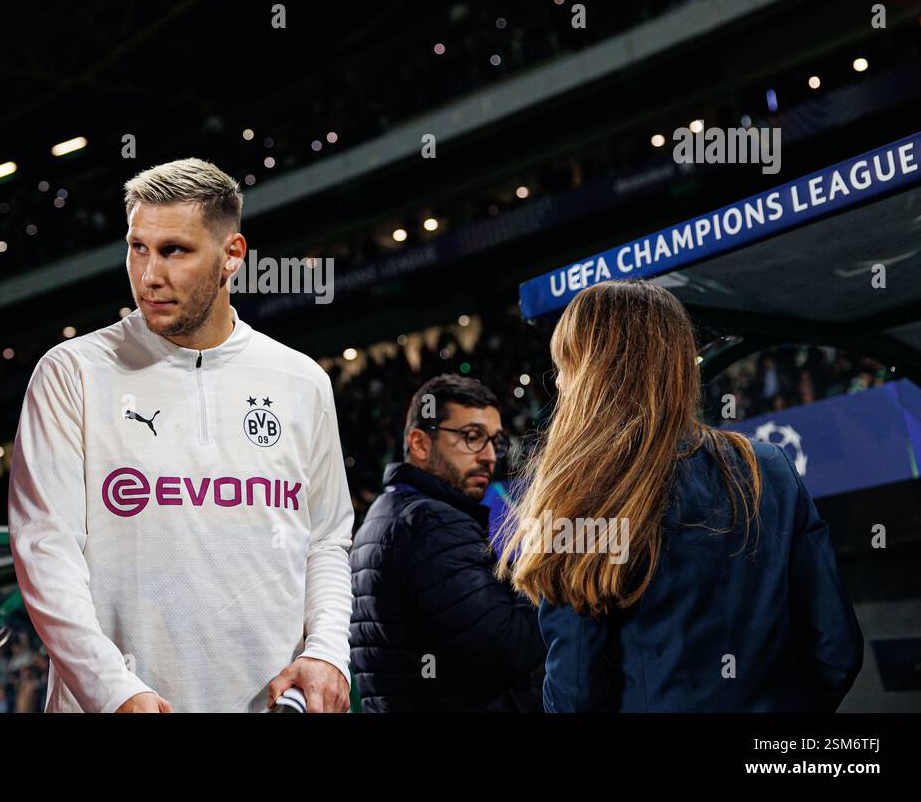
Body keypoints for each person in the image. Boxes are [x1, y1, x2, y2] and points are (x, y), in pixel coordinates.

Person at [9, 157, 353, 712]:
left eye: (174, 251)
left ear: (232, 256)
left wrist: (329, 651)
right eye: (137, 247)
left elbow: (326, 540)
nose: (149, 275)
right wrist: (113, 690)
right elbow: (46, 550)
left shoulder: (301, 380)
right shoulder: (72, 372)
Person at [495, 279, 864, 711]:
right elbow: (837, 649)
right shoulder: (770, 467)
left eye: (565, 365)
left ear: (592, 374)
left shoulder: (581, 497)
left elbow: (576, 696)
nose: (558, 383)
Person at [350, 374, 545, 711]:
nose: (489, 456)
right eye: (472, 437)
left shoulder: (388, 512)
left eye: (495, 442)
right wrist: (556, 582)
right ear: (420, 443)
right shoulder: (431, 522)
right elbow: (510, 649)